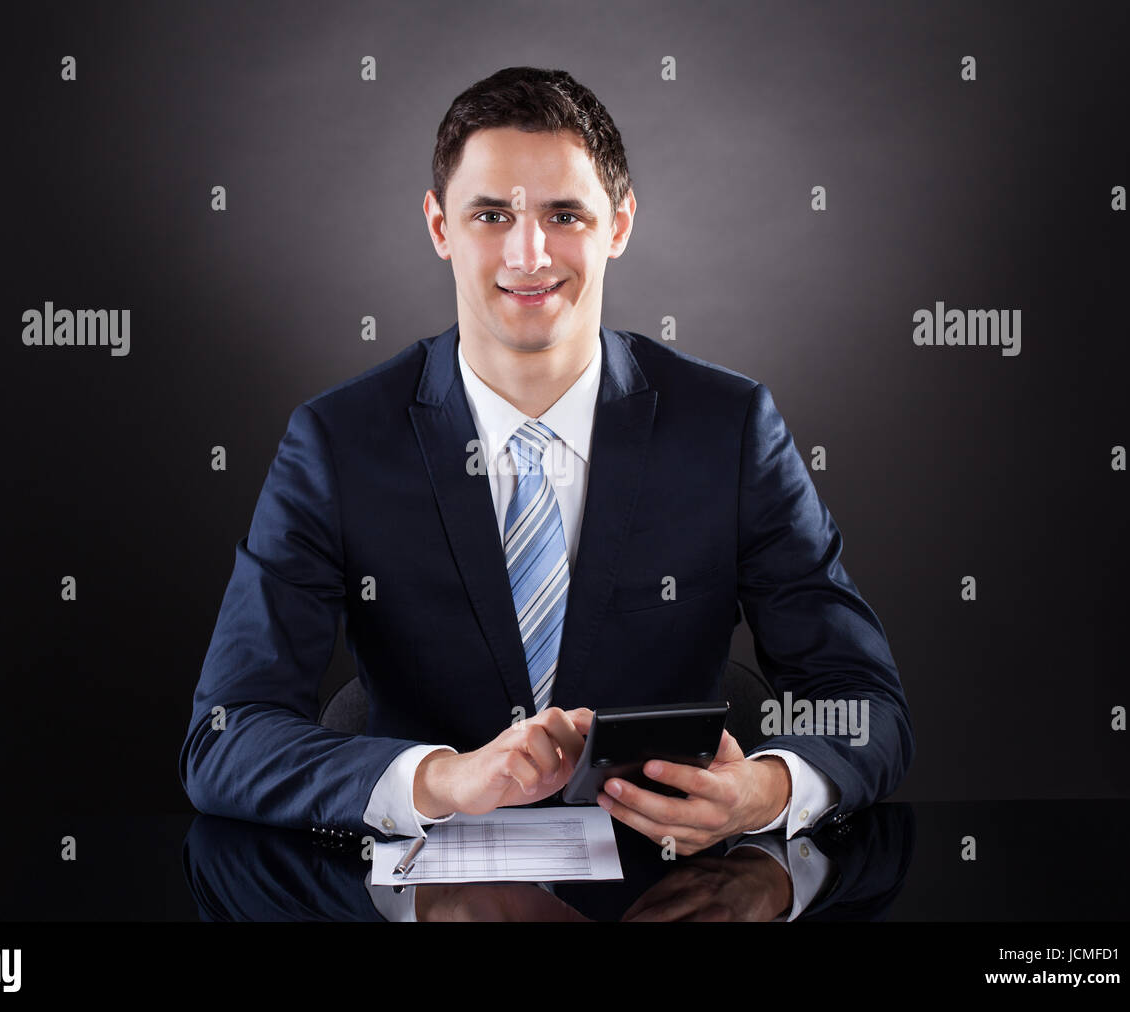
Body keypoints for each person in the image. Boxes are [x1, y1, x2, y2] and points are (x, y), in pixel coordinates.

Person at [179, 66, 914, 861]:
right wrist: (438, 781)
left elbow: (865, 703)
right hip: (427, 895)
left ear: (619, 225)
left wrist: (767, 792)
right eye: (492, 214)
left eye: (564, 214)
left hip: (675, 890)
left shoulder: (729, 428)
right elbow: (226, 737)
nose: (529, 253)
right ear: (439, 226)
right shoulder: (336, 442)